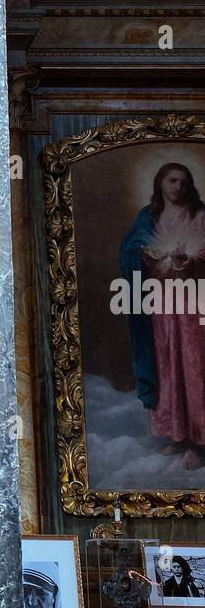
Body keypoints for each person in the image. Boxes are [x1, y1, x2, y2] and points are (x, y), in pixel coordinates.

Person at [120, 162, 205, 470]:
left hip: (195, 303)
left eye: (183, 182)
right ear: (160, 183)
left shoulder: (199, 216)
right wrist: (147, 255)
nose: (177, 188)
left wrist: (189, 262)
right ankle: (179, 435)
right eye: (172, 181)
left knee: (195, 367)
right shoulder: (149, 217)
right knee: (168, 365)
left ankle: (199, 440)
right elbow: (130, 250)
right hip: (161, 303)